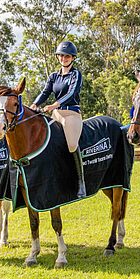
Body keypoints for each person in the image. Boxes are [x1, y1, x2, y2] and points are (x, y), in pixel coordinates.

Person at [29, 41, 86, 198]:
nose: (64, 58)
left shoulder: (76, 75)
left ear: (72, 58)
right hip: (56, 115)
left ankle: (81, 182)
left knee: (72, 144)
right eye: (61, 56)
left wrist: (54, 105)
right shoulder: (53, 76)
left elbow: (72, 93)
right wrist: (34, 104)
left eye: (67, 56)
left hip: (71, 114)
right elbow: (45, 92)